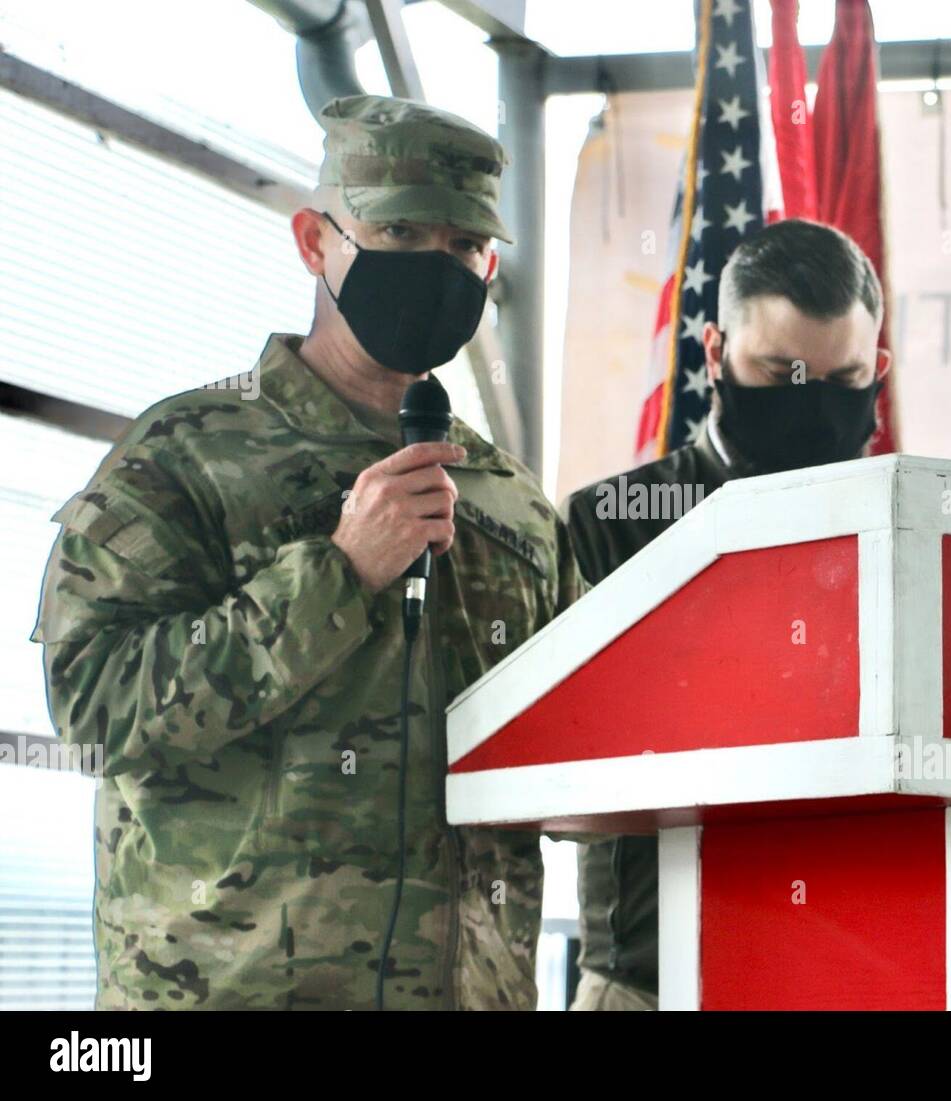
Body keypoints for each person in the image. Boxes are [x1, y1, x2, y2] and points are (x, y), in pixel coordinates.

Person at [31, 93, 586, 1010]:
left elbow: (579, 741)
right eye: (402, 232)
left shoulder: (512, 503)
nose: (436, 268)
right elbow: (93, 703)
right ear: (313, 241)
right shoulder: (184, 455)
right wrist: (336, 572)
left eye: (462, 247)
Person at [563, 218, 892, 1010]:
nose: (811, 408)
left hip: (856, 970)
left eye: (842, 380)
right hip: (653, 977)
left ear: (879, 369)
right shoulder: (615, 521)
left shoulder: (900, 527)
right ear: (714, 354)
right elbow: (570, 764)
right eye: (781, 374)